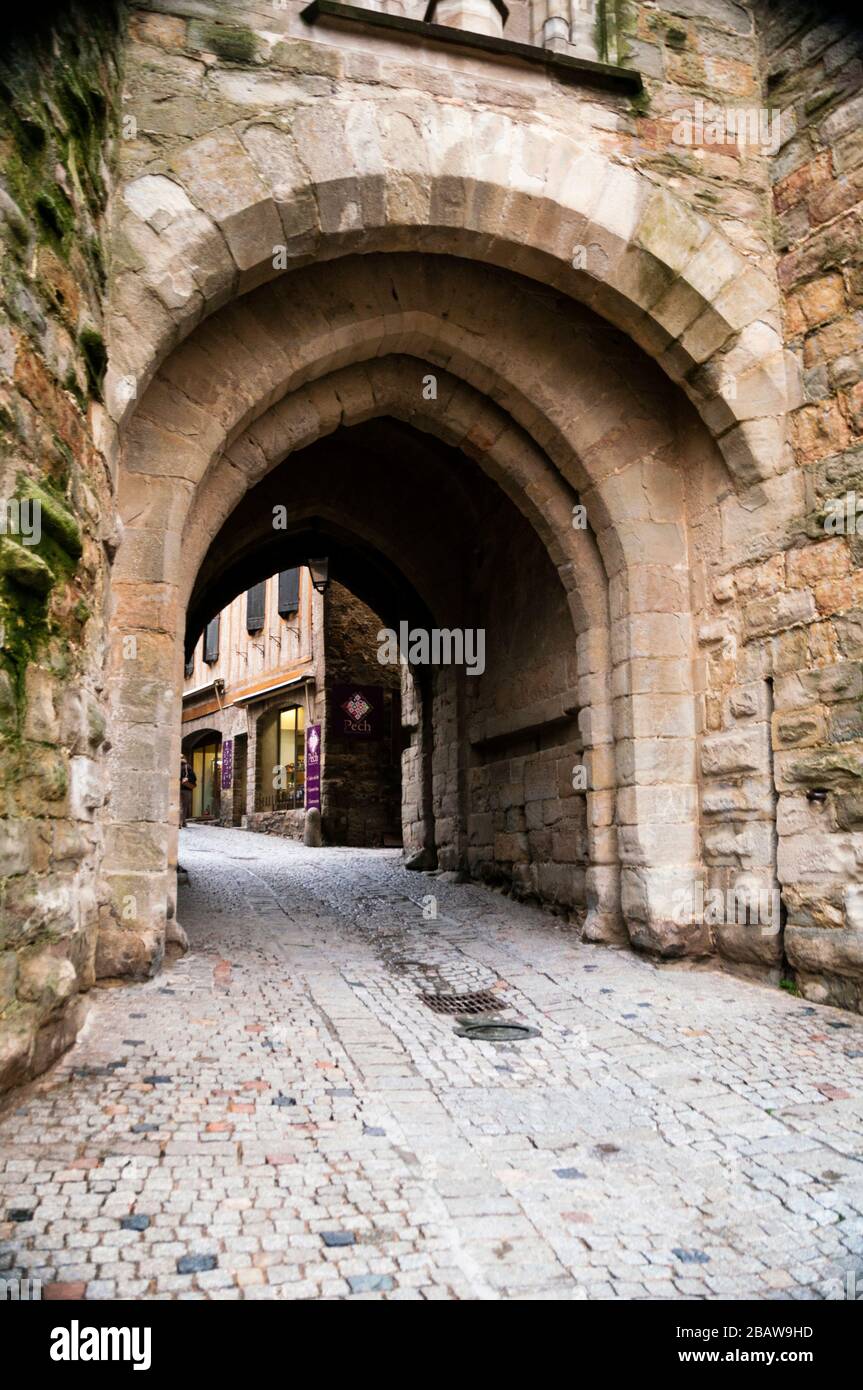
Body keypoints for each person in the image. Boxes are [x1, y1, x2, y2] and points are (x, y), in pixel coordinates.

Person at [180, 755, 196, 827]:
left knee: (179, 806)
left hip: (179, 788)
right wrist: (188, 779)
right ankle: (182, 822)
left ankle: (180, 822)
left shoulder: (174, 766)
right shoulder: (188, 766)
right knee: (184, 806)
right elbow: (194, 778)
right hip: (186, 789)